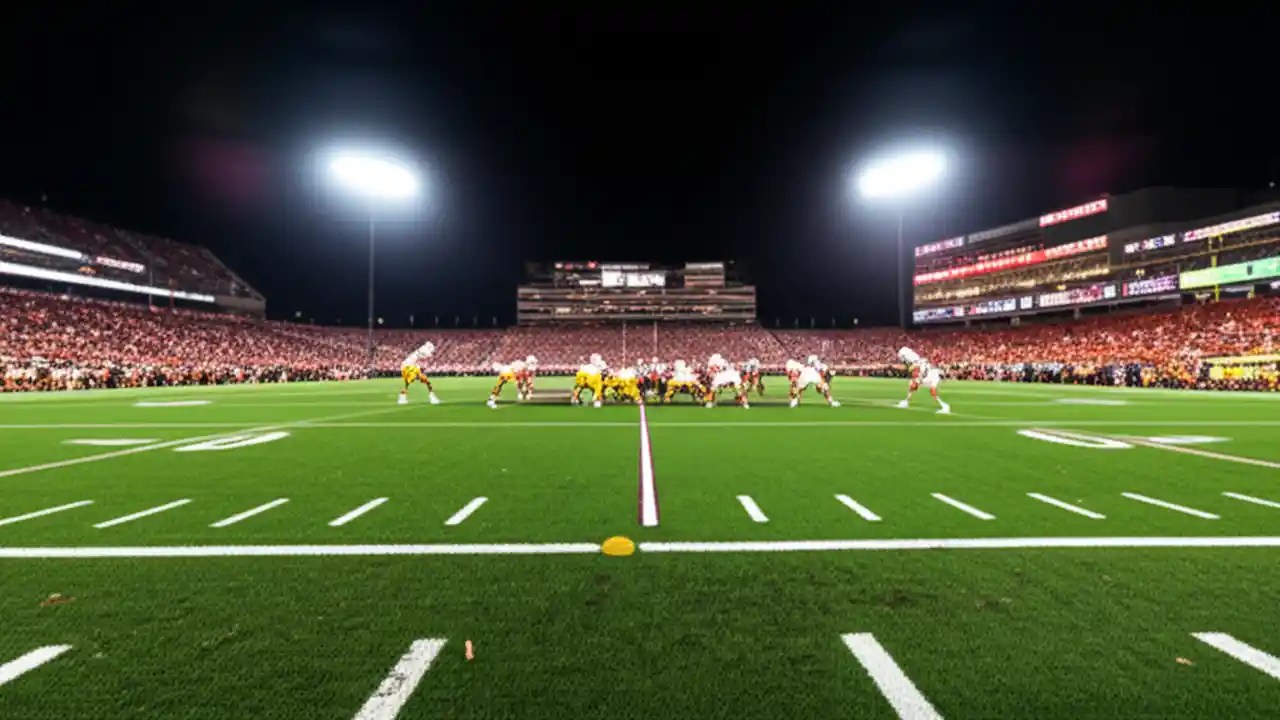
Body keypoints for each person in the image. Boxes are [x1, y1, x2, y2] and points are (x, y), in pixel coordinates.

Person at [897, 347, 950, 414]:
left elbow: (917, 372)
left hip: (933, 376)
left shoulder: (917, 363)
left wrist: (917, 379)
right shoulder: (918, 362)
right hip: (928, 376)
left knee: (932, 391)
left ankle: (945, 406)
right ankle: (906, 402)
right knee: (912, 385)